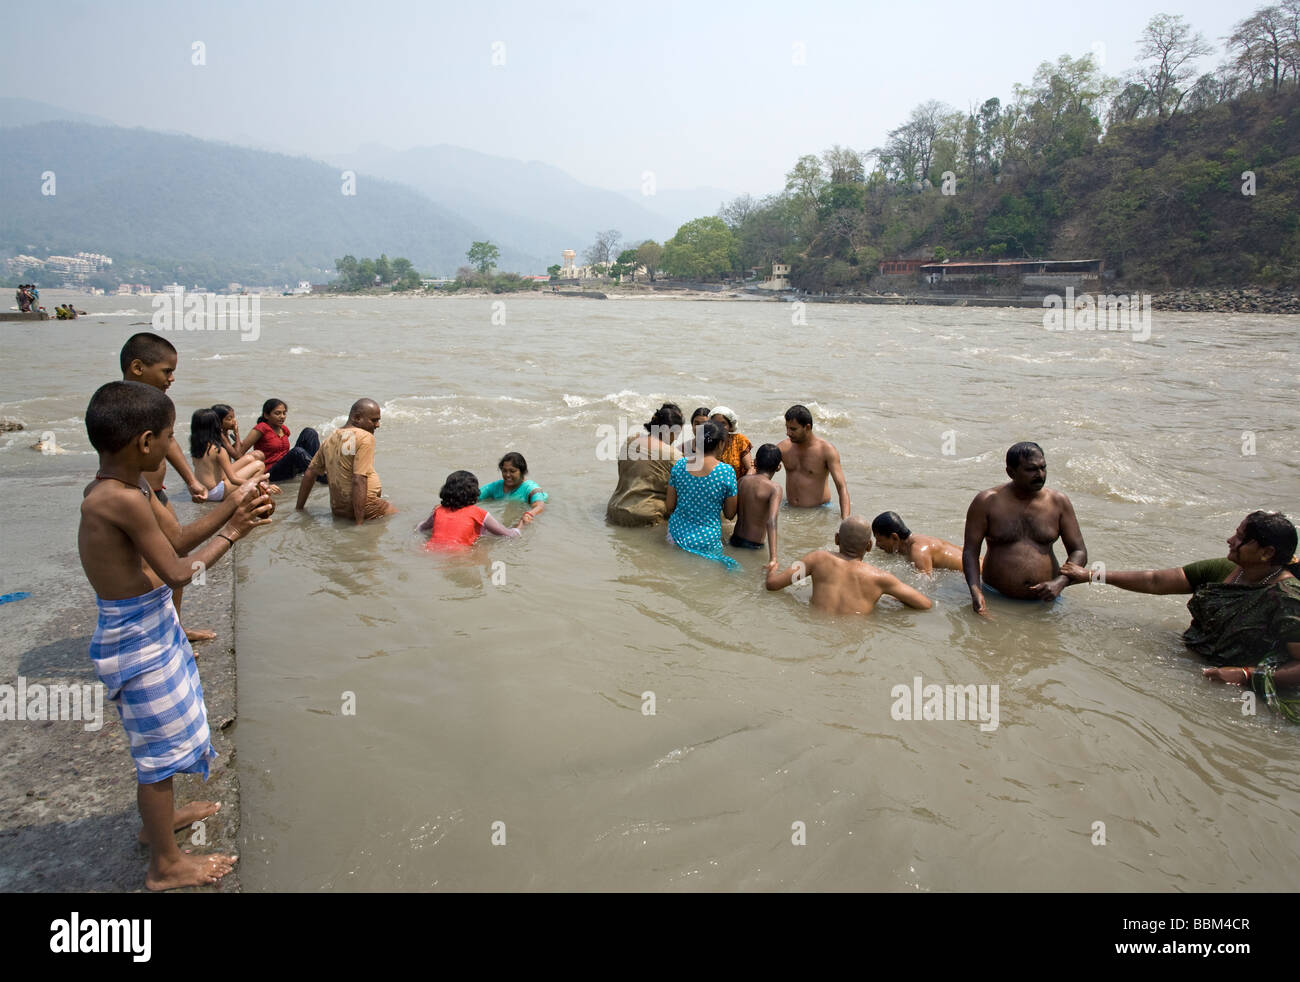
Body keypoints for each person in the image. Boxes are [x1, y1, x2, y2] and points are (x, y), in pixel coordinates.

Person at [78, 380, 273, 889]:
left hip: (153, 623)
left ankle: (157, 826)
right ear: (146, 443)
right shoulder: (116, 500)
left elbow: (182, 537)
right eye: (167, 437)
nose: (173, 445)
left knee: (168, 732)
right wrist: (236, 531)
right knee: (157, 753)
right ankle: (164, 863)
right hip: (135, 637)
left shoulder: (133, 489)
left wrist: (237, 503)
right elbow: (180, 571)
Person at [1061, 511, 1300, 717]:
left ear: (1267, 553)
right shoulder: (1228, 571)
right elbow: (1155, 581)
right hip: (1195, 665)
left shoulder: (1287, 599)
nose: (1230, 540)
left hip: (1237, 689)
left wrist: (1245, 674)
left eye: (1240, 538)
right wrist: (1091, 576)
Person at [120, 333, 218, 642]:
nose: (172, 378)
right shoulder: (121, 405)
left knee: (178, 552)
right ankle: (157, 635)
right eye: (166, 371)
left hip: (157, 492)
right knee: (152, 569)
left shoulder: (158, 403)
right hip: (135, 497)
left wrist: (191, 479)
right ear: (137, 367)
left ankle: (175, 627)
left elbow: (171, 440)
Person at [962, 441, 1086, 614]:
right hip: (995, 598)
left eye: (1043, 468)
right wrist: (975, 592)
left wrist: (1060, 582)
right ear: (1010, 472)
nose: (1040, 474)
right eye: (1031, 469)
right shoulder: (987, 502)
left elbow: (1079, 551)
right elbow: (970, 551)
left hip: (1047, 600)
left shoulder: (1058, 502)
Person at [765, 516, 933, 615]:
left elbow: (773, 585)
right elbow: (925, 604)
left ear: (837, 539)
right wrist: (893, 598)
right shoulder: (880, 578)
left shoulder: (816, 559)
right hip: (853, 639)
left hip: (815, 631)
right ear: (869, 546)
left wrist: (772, 569)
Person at [295, 398, 396, 524]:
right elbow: (358, 478)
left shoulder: (331, 438)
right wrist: (359, 523)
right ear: (357, 418)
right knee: (400, 517)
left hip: (338, 510)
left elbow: (310, 473)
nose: (377, 425)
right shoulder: (365, 437)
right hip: (367, 507)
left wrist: (299, 509)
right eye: (374, 420)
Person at [665, 421, 739, 568]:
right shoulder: (726, 471)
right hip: (707, 541)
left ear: (695, 443)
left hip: (675, 535)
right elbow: (730, 514)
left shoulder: (679, 465)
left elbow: (669, 506)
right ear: (720, 444)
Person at [606, 403, 683, 526]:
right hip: (647, 517)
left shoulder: (630, 441)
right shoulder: (673, 454)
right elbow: (683, 491)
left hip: (614, 510)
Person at [419, 470, 522, 550]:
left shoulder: (438, 511)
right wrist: (520, 526)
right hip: (460, 555)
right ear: (474, 492)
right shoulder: (479, 513)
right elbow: (508, 535)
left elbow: (421, 528)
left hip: (428, 550)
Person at [778, 404, 850, 518]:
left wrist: (845, 520)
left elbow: (841, 487)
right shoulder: (783, 448)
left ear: (807, 427)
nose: (788, 433)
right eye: (787, 428)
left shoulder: (826, 450)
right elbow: (762, 468)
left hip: (820, 510)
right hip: (790, 508)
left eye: (793, 429)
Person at [189, 408, 273, 502]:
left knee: (250, 459)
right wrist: (258, 483)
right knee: (259, 465)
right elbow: (233, 479)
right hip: (215, 493)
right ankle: (251, 494)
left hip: (201, 490)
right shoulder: (218, 449)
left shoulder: (196, 447)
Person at [238, 399, 321, 482]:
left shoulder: (283, 429)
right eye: (277, 413)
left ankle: (318, 468)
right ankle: (321, 476)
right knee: (297, 452)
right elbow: (240, 453)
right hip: (271, 472)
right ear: (266, 415)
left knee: (310, 432)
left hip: (286, 468)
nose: (282, 416)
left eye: (284, 413)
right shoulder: (261, 428)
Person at [731, 443, 783, 566]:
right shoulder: (774, 488)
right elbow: (771, 521)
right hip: (753, 546)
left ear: (755, 461)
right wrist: (773, 558)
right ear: (778, 467)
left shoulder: (742, 481)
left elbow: (731, 513)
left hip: (734, 540)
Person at [872, 511, 968, 574]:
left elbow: (923, 588)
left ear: (894, 537)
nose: (877, 545)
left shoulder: (918, 551)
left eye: (879, 540)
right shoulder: (912, 543)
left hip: (975, 575)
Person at [479, 451, 547, 527]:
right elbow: (475, 495)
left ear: (522, 472)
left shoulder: (531, 488)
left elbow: (539, 506)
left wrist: (529, 514)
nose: (507, 475)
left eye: (512, 471)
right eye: (504, 471)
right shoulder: (496, 486)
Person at [711, 406, 754, 477]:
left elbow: (751, 468)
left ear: (730, 426)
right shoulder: (707, 442)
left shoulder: (739, 440)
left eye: (723, 423)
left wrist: (743, 484)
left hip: (739, 485)